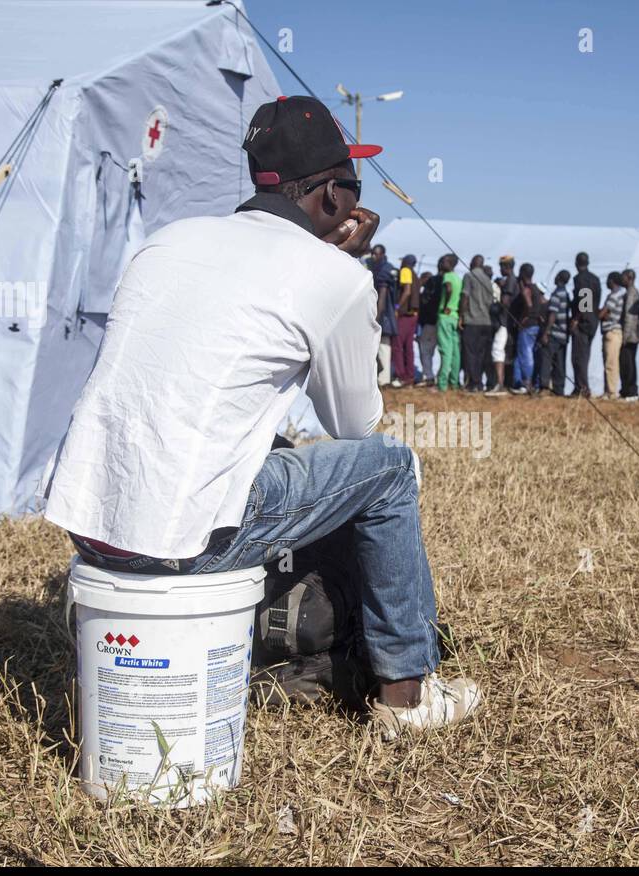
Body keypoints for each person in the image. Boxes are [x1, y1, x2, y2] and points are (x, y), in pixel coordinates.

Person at [41, 95, 480, 736]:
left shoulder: (168, 241)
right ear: (333, 199)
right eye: (354, 185)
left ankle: (299, 635)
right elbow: (354, 426)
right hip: (181, 547)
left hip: (92, 531)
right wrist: (343, 270)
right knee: (387, 467)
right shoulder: (334, 275)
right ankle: (406, 699)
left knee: (272, 445)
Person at [460, 254, 495, 392]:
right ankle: (480, 382)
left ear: (473, 263)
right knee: (481, 354)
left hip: (472, 320)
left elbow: (465, 296)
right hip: (486, 321)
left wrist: (461, 315)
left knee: (470, 353)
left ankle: (474, 383)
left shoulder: (469, 276)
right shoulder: (487, 279)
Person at [367, 244, 399, 387]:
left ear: (383, 254)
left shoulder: (384, 271)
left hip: (384, 313)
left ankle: (384, 378)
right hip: (377, 311)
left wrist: (377, 318)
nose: (374, 256)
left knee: (384, 346)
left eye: (377, 254)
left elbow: (383, 296)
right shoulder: (375, 268)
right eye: (373, 253)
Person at [570, 253, 602, 397]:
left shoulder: (581, 279)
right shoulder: (595, 279)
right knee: (584, 355)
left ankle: (582, 388)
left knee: (579, 357)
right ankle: (580, 386)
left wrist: (576, 319)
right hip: (593, 321)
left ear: (576, 263)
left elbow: (585, 300)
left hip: (583, 322)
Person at [508, 263, 539, 395]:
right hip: (535, 326)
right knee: (522, 354)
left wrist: (525, 317)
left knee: (526, 355)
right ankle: (518, 382)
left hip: (527, 326)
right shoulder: (536, 288)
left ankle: (527, 383)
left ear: (522, 273)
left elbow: (529, 304)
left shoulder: (526, 289)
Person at [489, 255, 518, 394]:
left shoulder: (510, 281)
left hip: (503, 321)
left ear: (507, 267)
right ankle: (505, 383)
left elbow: (505, 302)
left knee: (497, 350)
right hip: (509, 322)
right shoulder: (511, 281)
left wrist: (494, 307)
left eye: (501, 266)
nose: (500, 269)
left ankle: (500, 384)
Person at [540, 269, 571, 396]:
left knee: (546, 358)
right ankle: (559, 388)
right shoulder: (565, 294)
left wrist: (546, 332)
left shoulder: (557, 293)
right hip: (563, 333)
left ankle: (544, 386)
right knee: (559, 361)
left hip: (554, 332)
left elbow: (553, 313)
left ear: (558, 278)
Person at [597, 271, 626, 400]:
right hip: (610, 331)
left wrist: (598, 314)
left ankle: (612, 392)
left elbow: (603, 313)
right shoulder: (618, 295)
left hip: (612, 331)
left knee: (611, 363)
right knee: (609, 362)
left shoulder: (614, 296)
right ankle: (607, 390)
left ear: (612, 281)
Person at [435, 254, 462, 391]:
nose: (441, 263)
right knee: (454, 351)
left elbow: (449, 289)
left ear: (450, 263)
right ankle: (454, 382)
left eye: (444, 261)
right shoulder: (458, 278)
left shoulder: (448, 277)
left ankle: (442, 384)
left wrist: (445, 305)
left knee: (445, 350)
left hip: (445, 315)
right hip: (454, 315)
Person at [392, 254, 419, 388]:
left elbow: (407, 291)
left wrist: (397, 307)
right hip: (414, 315)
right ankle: (410, 377)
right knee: (409, 347)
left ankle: (401, 376)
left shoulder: (405, 271)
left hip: (404, 315)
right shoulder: (414, 273)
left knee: (397, 346)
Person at [619, 269, 639, 401]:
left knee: (627, 363)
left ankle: (630, 390)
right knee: (628, 362)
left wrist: (625, 335)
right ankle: (627, 389)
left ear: (629, 278)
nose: (621, 280)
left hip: (630, 335)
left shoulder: (631, 294)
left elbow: (629, 317)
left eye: (623, 277)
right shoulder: (631, 293)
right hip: (632, 335)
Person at [415, 269, 439, 386]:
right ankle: (429, 375)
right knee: (430, 351)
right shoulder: (436, 291)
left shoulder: (427, 294)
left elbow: (423, 308)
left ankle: (428, 376)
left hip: (428, 325)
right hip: (434, 324)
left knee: (425, 351)